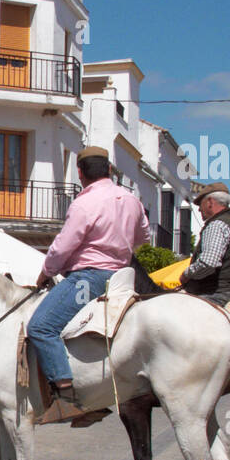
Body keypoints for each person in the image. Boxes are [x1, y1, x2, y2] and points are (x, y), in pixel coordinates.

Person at [29, 145, 149, 424]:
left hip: (89, 279)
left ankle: (68, 398)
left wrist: (46, 271)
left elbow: (63, 246)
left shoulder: (84, 203)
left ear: (80, 173)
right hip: (123, 277)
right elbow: (143, 236)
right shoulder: (131, 199)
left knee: (41, 326)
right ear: (109, 169)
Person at [179, 183, 230, 305]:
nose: (199, 209)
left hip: (217, 294)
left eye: (200, 204)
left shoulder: (216, 225)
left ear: (210, 202)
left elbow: (208, 262)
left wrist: (186, 274)